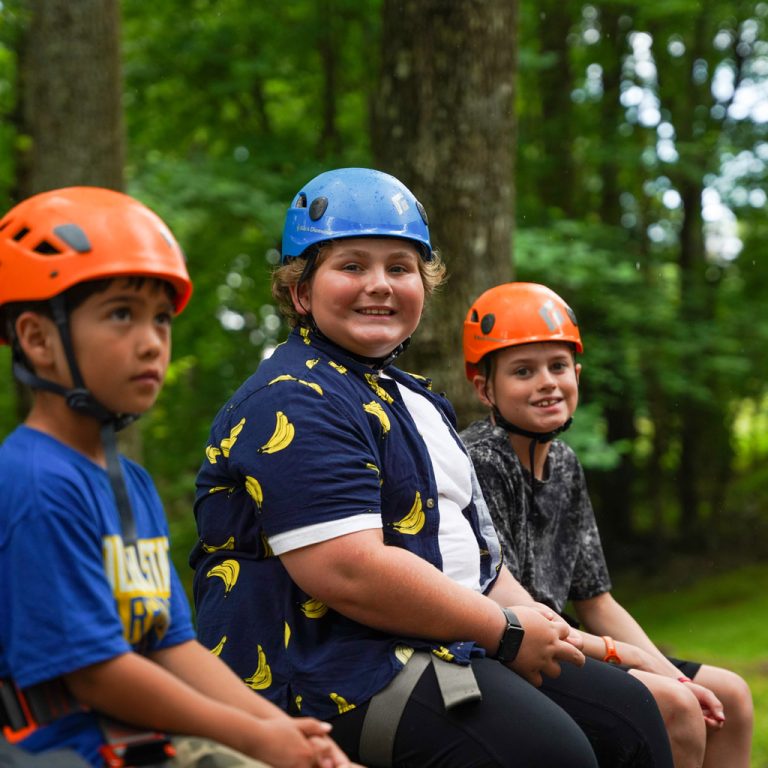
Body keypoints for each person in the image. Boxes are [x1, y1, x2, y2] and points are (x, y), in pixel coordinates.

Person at [191, 167, 675, 768]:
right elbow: (348, 570)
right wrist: (508, 632)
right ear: (299, 292)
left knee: (630, 717)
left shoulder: (412, 398)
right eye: (351, 266)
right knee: (548, 753)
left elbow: (474, 559)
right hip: (323, 669)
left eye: (400, 268)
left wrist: (553, 628)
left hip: (428, 637)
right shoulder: (293, 398)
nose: (380, 285)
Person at [0, 187, 354, 768]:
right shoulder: (35, 482)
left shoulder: (128, 481)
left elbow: (169, 644)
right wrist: (252, 738)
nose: (152, 342)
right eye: (121, 315)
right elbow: (95, 675)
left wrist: (290, 733)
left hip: (137, 742)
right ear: (38, 339)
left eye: (160, 319)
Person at [460, 281, 754, 768]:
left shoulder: (566, 464)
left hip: (574, 640)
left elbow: (595, 599)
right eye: (522, 371)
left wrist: (668, 670)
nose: (547, 382)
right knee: (678, 708)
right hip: (516, 650)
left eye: (558, 367)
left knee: (732, 696)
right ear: (484, 387)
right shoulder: (480, 462)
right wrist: (637, 664)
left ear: (577, 373)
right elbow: (507, 602)